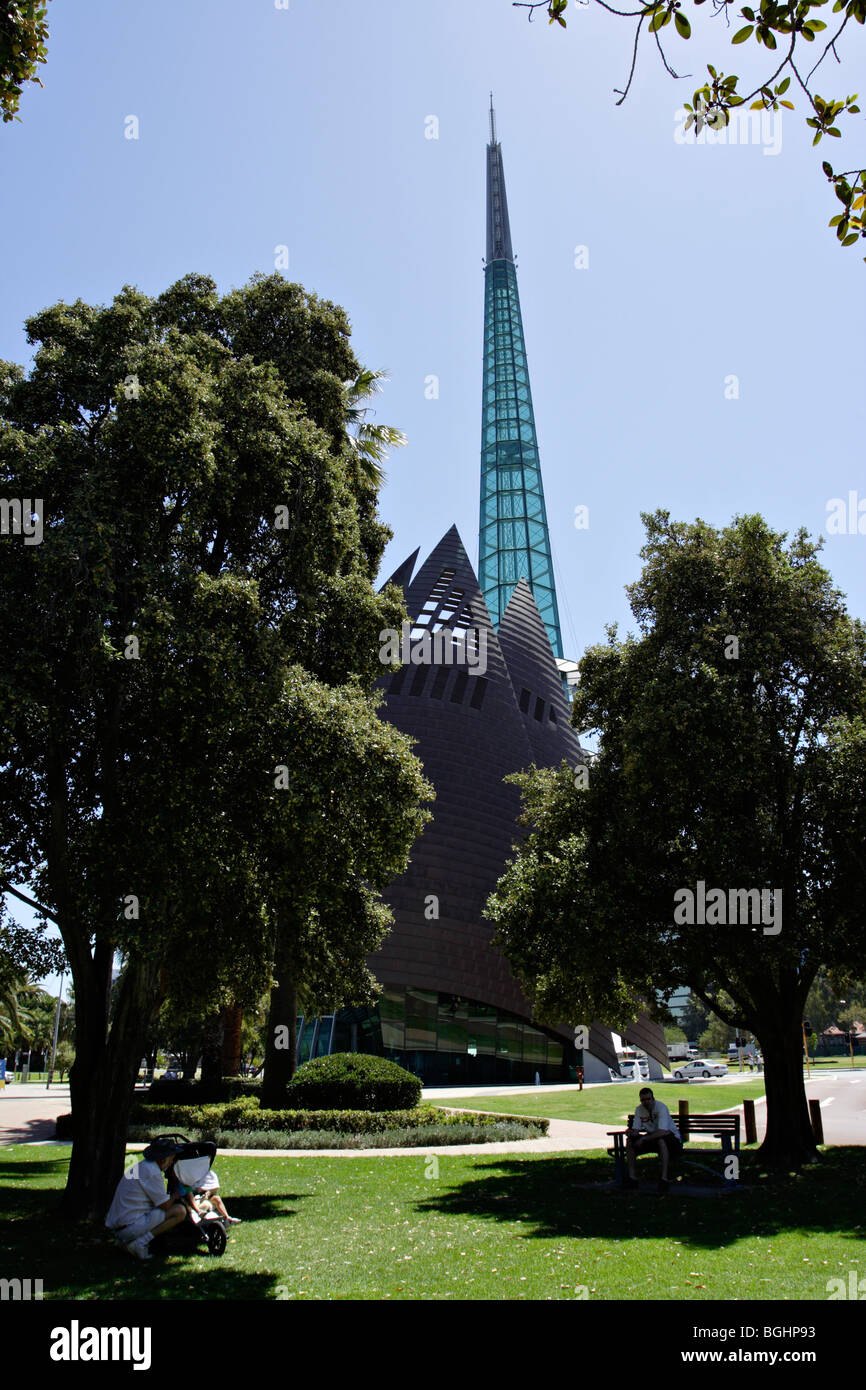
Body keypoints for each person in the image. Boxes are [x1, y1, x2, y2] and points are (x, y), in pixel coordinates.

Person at [105, 1138, 188, 1260]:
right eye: (171, 1158)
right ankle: (140, 1243)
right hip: (130, 1227)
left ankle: (126, 1242)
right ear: (163, 1159)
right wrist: (176, 1195)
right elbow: (164, 1206)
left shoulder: (143, 1166)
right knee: (180, 1211)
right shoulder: (152, 1172)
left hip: (121, 1226)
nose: (172, 1162)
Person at [625, 1087, 682, 1194]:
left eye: (648, 1099)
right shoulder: (639, 1110)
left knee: (661, 1140)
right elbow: (636, 1129)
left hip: (671, 1138)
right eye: (643, 1100)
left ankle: (664, 1179)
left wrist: (644, 1139)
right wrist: (631, 1132)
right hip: (651, 1138)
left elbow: (663, 1131)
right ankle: (632, 1178)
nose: (646, 1102)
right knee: (630, 1142)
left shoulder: (661, 1107)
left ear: (653, 1098)